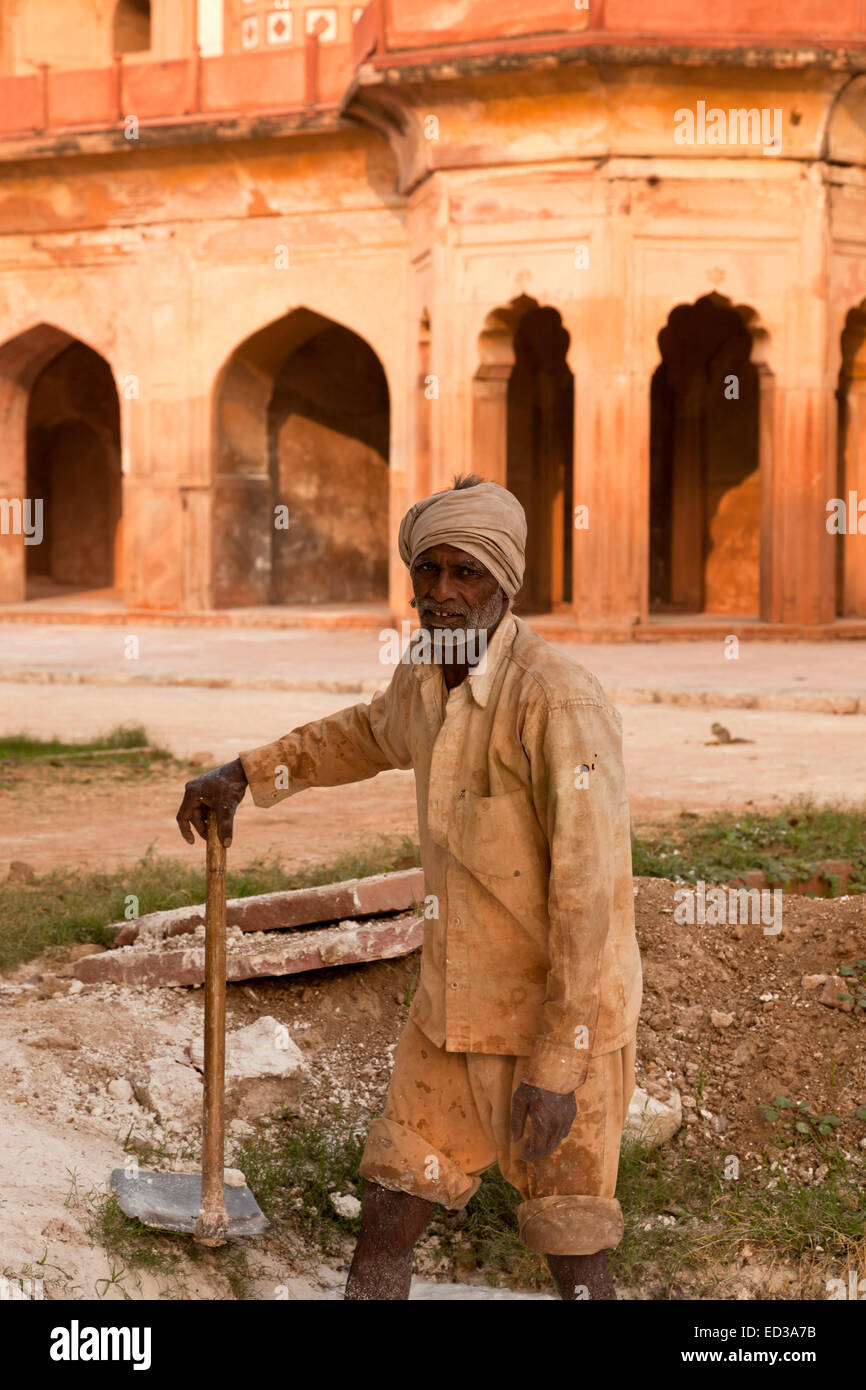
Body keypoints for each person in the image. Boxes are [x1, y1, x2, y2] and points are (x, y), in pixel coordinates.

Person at [176, 474, 642, 1300]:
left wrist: (559, 1067)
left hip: (557, 1028)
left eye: (465, 574)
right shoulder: (425, 675)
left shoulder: (558, 700)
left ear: (504, 580)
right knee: (388, 1217)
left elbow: (588, 898)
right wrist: (247, 773)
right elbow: (361, 734)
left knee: (575, 1249)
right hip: (452, 1014)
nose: (441, 595)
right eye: (428, 572)